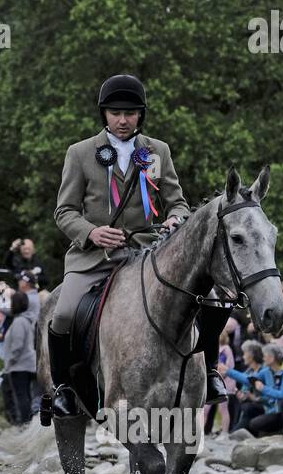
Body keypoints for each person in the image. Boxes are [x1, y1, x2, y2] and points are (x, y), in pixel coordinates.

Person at [48, 73, 227, 416]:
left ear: (140, 115)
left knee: (214, 301)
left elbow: (177, 200)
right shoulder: (81, 153)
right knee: (65, 312)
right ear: (104, 114)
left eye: (130, 113)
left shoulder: (156, 151)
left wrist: (177, 218)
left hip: (149, 252)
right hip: (95, 256)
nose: (123, 120)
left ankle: (211, 373)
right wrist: (91, 232)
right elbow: (64, 211)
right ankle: (64, 389)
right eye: (115, 112)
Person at [0, 290, 36, 424]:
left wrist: (9, 362)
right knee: (26, 395)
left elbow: (17, 345)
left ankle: (23, 423)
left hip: (19, 366)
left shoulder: (19, 322)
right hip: (28, 364)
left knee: (21, 396)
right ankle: (27, 422)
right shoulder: (27, 320)